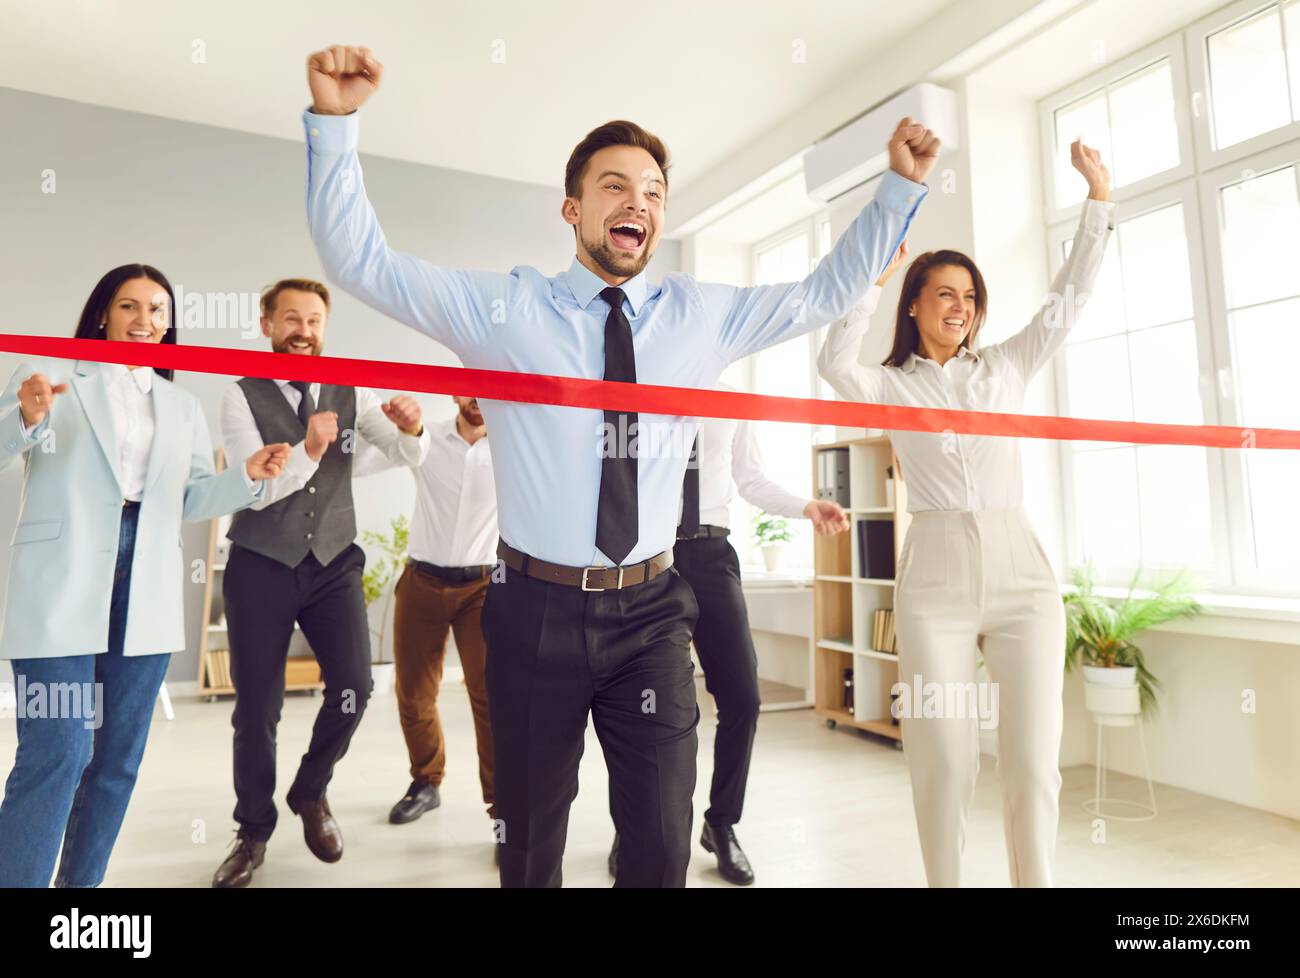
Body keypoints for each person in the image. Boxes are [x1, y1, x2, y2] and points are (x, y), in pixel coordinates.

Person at [301, 43, 935, 887]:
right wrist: (337, 126)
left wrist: (899, 189)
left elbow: (820, 293)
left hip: (651, 616)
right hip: (532, 617)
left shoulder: (700, 316)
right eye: (615, 187)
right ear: (572, 209)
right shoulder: (506, 311)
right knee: (529, 849)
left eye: (654, 193)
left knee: (660, 850)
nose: (638, 203)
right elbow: (362, 264)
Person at [817, 141, 1114, 887]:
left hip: (1023, 573)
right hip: (939, 576)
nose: (960, 307)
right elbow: (832, 362)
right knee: (945, 761)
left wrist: (1098, 202)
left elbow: (1067, 303)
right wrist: (867, 282)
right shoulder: (890, 386)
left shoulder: (1006, 366)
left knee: (1031, 764)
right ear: (914, 304)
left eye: (970, 297)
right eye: (943, 293)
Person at [0, 263, 290, 888]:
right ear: (103, 312)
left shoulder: (181, 405)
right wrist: (24, 419)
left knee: (115, 762)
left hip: (146, 591)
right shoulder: (50, 375)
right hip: (62, 585)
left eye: (157, 310)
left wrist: (247, 476)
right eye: (130, 306)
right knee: (58, 752)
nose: (145, 320)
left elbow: (188, 498)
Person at [211, 277, 429, 888]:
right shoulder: (239, 395)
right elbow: (256, 486)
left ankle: (310, 790)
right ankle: (251, 832)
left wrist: (413, 428)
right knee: (258, 709)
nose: (302, 331)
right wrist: (308, 450)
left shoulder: (352, 389)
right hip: (260, 562)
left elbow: (403, 455)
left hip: (334, 560)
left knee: (356, 687)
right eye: (290, 319)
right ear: (267, 324)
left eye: (313, 320)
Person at [608, 415, 850, 884]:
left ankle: (721, 823)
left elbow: (751, 479)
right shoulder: (653, 385)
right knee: (634, 707)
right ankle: (634, 828)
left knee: (743, 698)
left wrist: (807, 507)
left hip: (713, 556)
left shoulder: (731, 396)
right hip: (650, 554)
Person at [383, 395, 498, 834]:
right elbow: (408, 446)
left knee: (489, 696)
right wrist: (407, 429)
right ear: (454, 391)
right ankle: (425, 782)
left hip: (484, 588)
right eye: (470, 389)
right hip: (422, 581)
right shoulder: (426, 436)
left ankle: (500, 808)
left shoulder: (514, 448)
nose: (479, 400)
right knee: (413, 692)